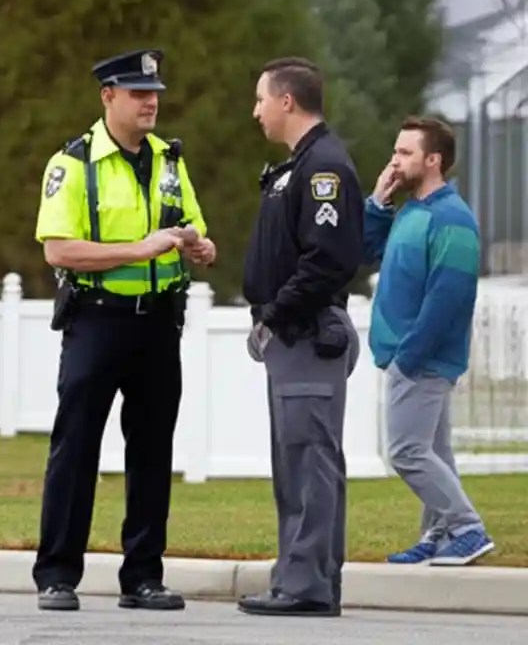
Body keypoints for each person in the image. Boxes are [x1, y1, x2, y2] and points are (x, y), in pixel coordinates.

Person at [32, 48, 216, 612]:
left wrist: (201, 247)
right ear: (108, 96)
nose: (151, 102)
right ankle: (58, 574)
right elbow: (58, 248)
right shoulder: (74, 164)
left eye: (155, 93)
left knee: (152, 451)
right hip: (97, 320)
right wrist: (137, 249)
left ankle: (143, 576)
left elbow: (193, 230)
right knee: (77, 447)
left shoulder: (169, 160)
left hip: (158, 323)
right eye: (138, 93)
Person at [238, 57, 363, 617]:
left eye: (262, 99)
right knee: (297, 462)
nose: (256, 110)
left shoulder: (324, 169)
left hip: (307, 335)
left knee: (308, 463)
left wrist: (275, 313)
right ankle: (300, 576)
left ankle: (307, 584)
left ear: (287, 101)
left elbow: (327, 261)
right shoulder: (301, 165)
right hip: (292, 336)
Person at [363, 116, 494, 566]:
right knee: (434, 450)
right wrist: (378, 203)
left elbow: (450, 295)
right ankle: (437, 534)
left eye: (405, 153)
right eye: (395, 151)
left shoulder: (452, 218)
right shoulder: (411, 212)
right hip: (409, 355)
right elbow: (369, 254)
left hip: (423, 359)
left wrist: (410, 356)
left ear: (433, 160)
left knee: (405, 450)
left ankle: (467, 527)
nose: (394, 161)